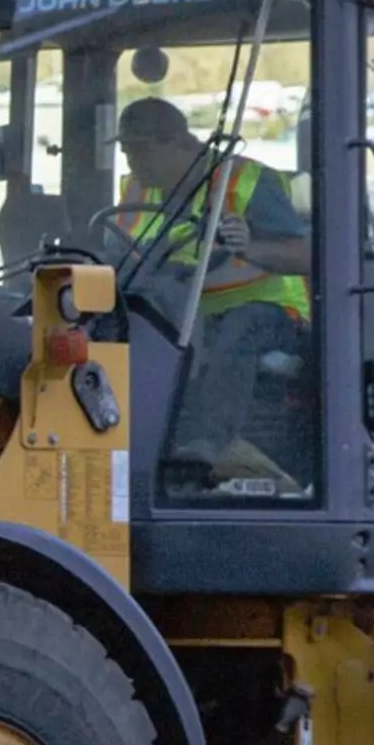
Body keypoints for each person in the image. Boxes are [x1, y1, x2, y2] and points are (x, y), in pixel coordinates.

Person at [116, 94, 316, 487]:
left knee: (239, 326)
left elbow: (303, 255)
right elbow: (120, 252)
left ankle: (210, 444)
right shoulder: (137, 190)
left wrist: (247, 248)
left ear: (177, 142)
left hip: (271, 311)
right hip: (181, 311)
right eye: (126, 151)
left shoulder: (246, 183)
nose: (132, 163)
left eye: (140, 151)